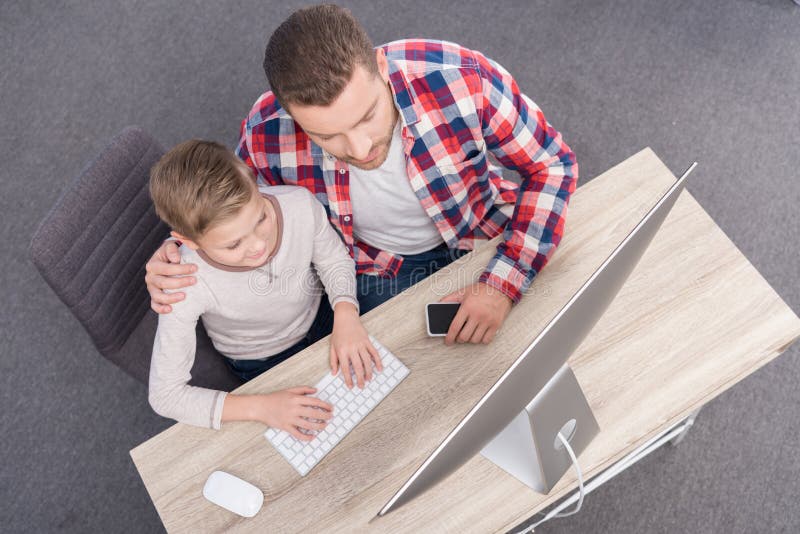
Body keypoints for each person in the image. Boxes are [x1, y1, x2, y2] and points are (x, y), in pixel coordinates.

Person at [145, 4, 578, 347]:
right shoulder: (265, 134)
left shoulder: (462, 78)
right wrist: (180, 247)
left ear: (381, 67)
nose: (359, 149)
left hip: (480, 228)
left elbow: (552, 165)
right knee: (413, 387)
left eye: (368, 116)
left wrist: (502, 284)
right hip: (377, 271)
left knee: (550, 334)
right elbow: (231, 208)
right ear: (291, 113)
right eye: (326, 135)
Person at [147, 140, 381, 438]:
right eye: (234, 244)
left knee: (375, 396)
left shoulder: (298, 205)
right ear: (189, 242)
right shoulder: (184, 282)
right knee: (325, 434)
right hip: (264, 359)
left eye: (261, 218)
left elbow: (334, 259)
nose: (259, 245)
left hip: (324, 316)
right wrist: (262, 408)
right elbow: (165, 395)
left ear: (254, 183)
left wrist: (346, 311)